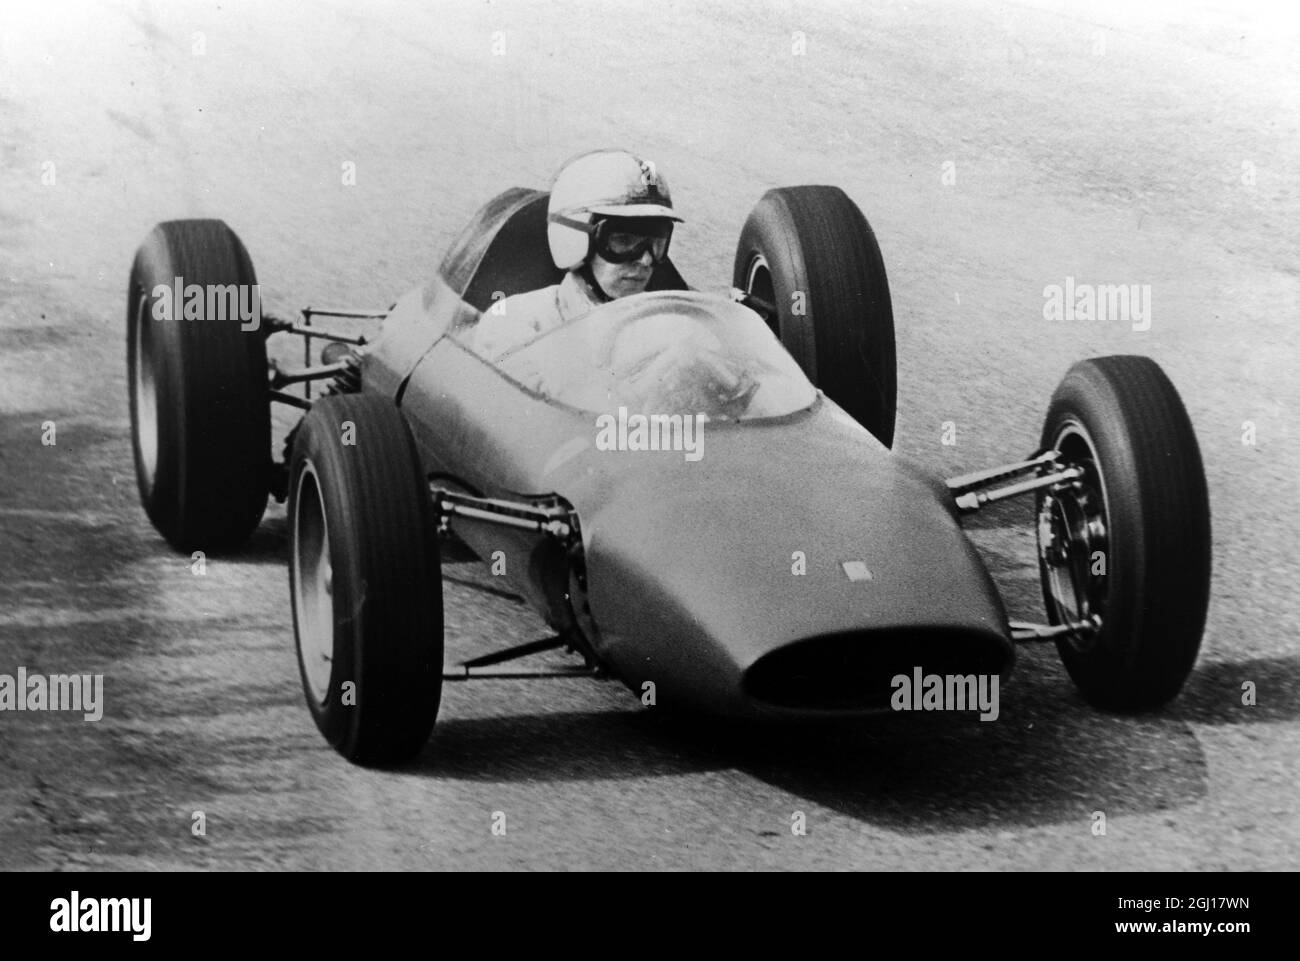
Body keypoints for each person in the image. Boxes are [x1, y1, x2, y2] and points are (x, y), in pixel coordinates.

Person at [473, 149, 684, 360]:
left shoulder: (670, 328)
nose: (646, 260)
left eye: (656, 244)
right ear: (574, 240)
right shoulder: (515, 323)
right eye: (624, 241)